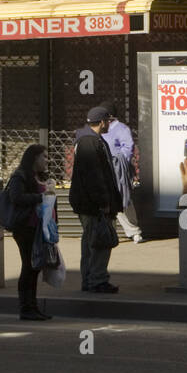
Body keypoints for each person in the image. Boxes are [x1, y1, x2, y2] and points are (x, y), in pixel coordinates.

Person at [69, 105, 123, 293]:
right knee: (99, 241)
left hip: (89, 203)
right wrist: (104, 202)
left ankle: (91, 279)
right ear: (101, 122)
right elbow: (95, 176)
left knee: (91, 241)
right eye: (108, 121)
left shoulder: (89, 140)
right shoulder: (90, 142)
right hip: (94, 205)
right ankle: (96, 279)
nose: (110, 124)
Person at [7, 144, 54, 321]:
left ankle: (33, 306)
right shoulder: (20, 176)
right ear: (34, 158)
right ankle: (25, 307)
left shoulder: (40, 176)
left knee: (35, 267)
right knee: (28, 265)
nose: (46, 160)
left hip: (38, 228)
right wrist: (40, 197)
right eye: (44, 157)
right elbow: (16, 197)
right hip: (25, 227)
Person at [100, 101, 143, 243]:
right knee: (109, 201)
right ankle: (111, 232)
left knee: (124, 200)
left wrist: (118, 162)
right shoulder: (100, 129)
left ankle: (134, 231)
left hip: (118, 170)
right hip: (104, 169)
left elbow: (128, 147)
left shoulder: (121, 129)